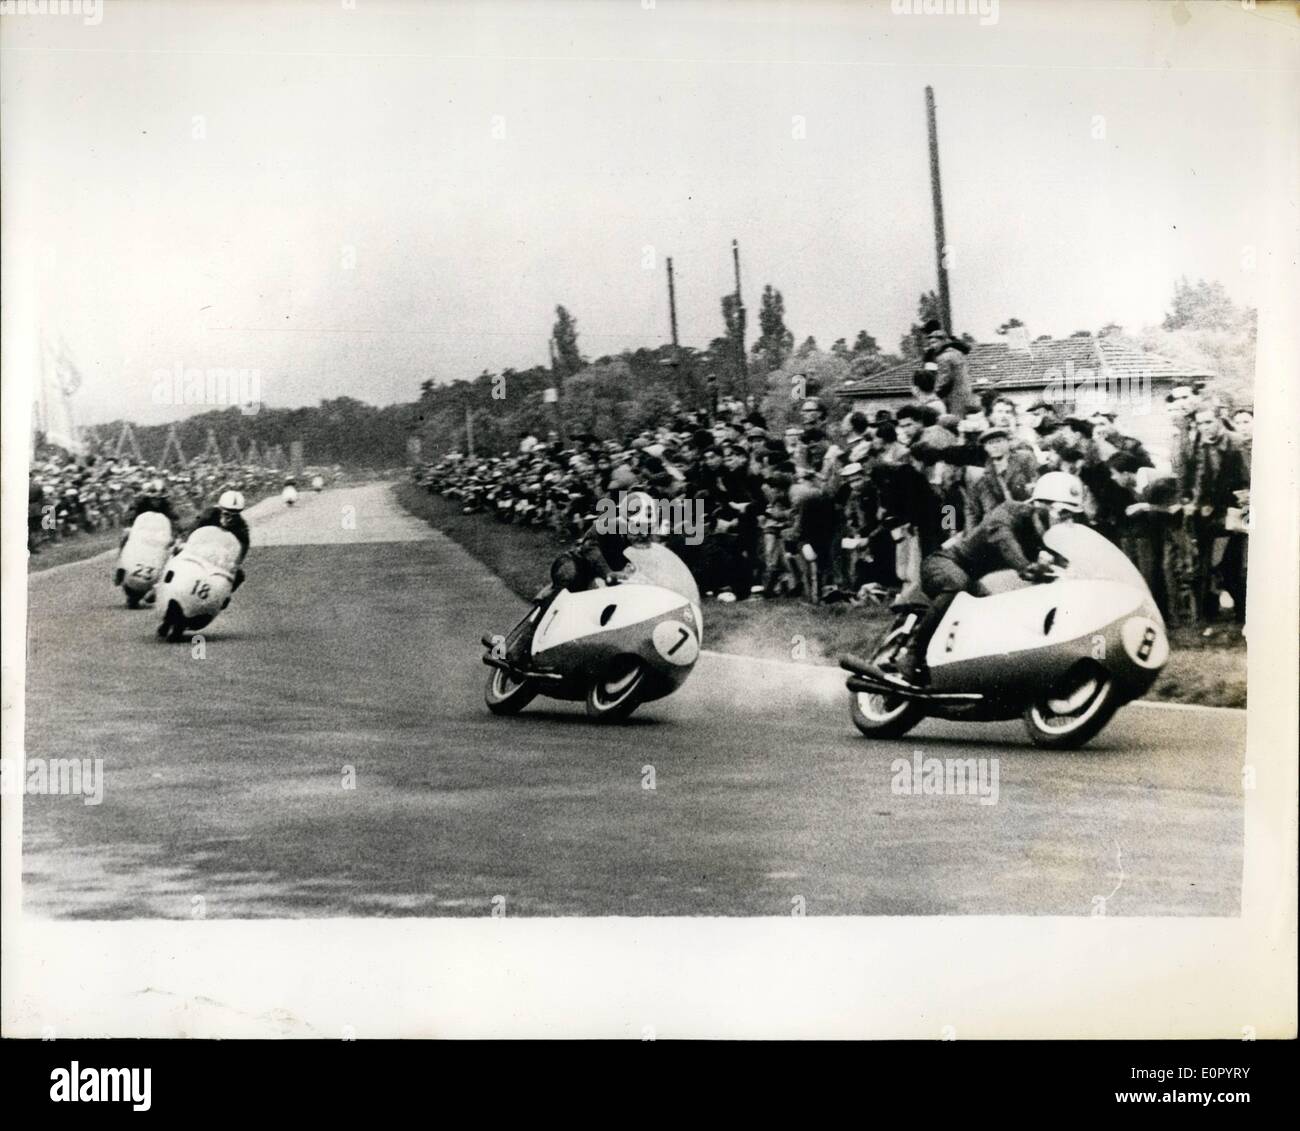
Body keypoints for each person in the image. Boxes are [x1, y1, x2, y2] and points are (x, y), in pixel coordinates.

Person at [859, 471, 1087, 687]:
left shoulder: (962, 487)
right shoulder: (957, 492)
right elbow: (997, 532)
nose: (1066, 521)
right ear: (1042, 503)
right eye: (1063, 513)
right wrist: (951, 531)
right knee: (957, 585)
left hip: (969, 549)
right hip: (949, 558)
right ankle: (913, 653)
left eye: (1070, 515)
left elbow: (1068, 563)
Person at [503, 491, 656, 668]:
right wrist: (607, 572)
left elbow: (650, 566)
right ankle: (522, 644)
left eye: (646, 529)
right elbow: (590, 548)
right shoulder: (605, 524)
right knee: (568, 579)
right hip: (577, 564)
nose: (641, 534)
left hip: (606, 581)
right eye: (638, 527)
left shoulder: (645, 544)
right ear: (625, 520)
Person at [184, 489, 251, 591]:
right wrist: (184, 543)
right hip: (200, 550)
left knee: (239, 576)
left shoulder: (242, 528)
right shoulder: (208, 514)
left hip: (219, 558)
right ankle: (162, 585)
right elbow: (192, 529)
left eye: (234, 516)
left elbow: (242, 550)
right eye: (226, 514)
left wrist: (235, 564)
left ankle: (222, 597)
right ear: (220, 509)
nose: (230, 519)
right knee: (177, 552)